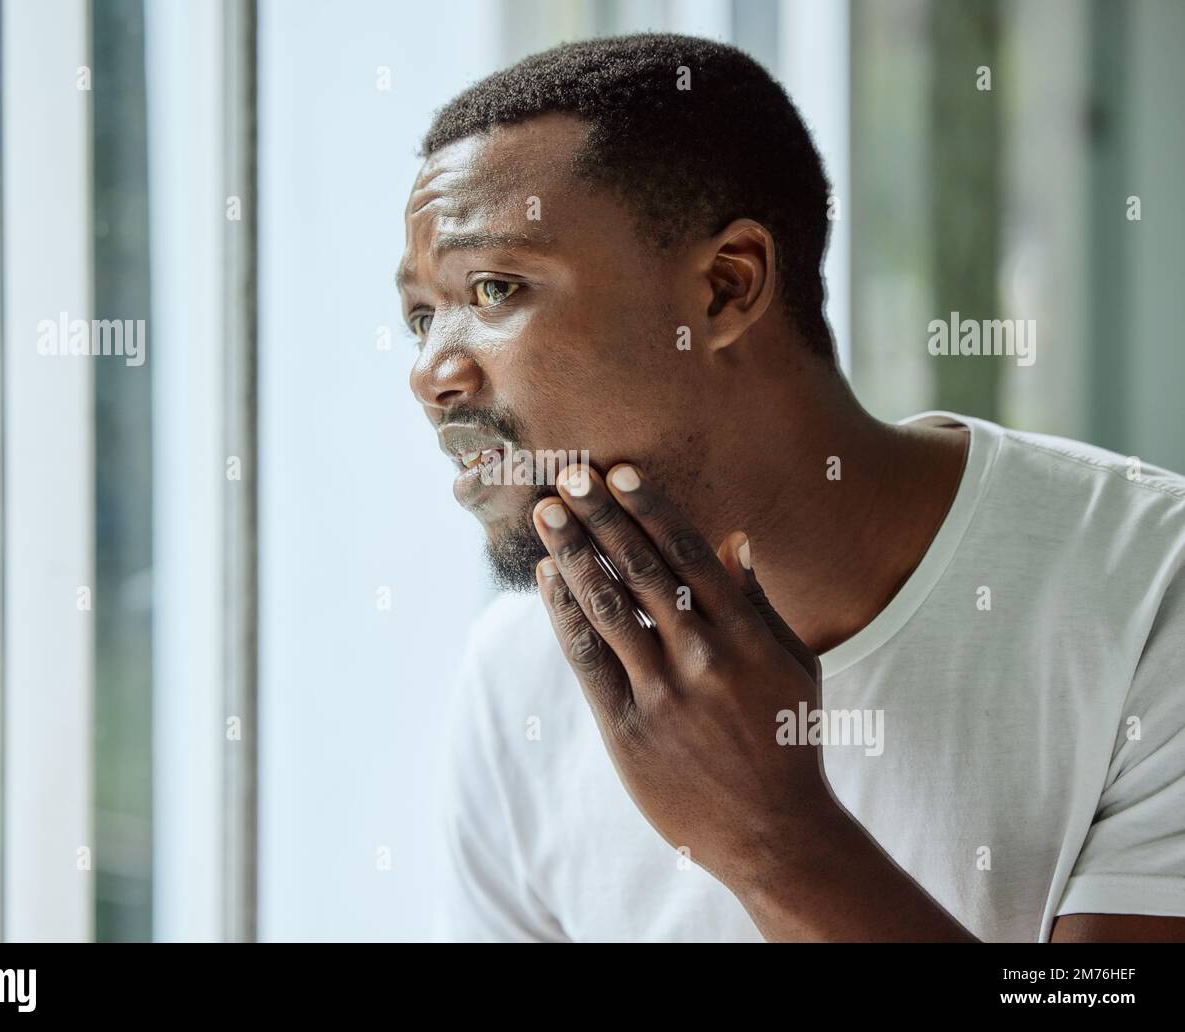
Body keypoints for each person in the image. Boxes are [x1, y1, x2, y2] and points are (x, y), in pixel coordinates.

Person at [394, 33, 1185, 942]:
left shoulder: (1151, 593)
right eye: (420, 315)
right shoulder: (518, 678)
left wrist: (772, 837)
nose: (430, 374)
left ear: (728, 288)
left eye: (493, 288)